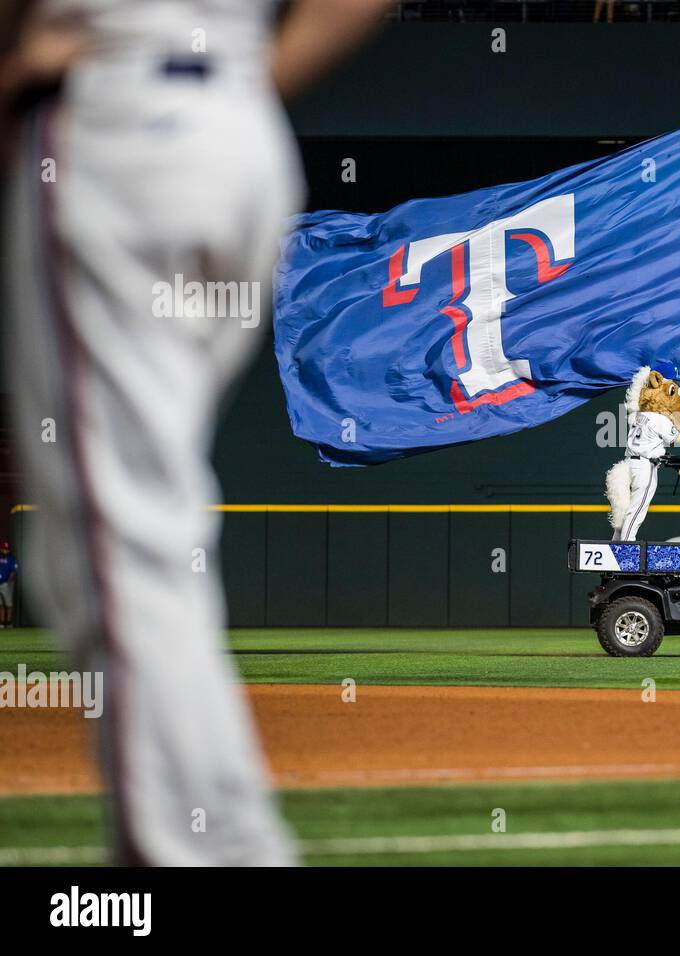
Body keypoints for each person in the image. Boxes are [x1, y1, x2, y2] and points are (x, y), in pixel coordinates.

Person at [1, 0, 388, 866]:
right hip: (240, 140)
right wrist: (249, 92)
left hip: (113, 116)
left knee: (119, 552)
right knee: (136, 539)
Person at [0, 541, 16, 628]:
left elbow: (13, 571)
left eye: (7, 549)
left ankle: (9, 622)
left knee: (8, 604)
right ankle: (2, 622)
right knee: (0, 604)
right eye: (4, 549)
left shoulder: (11, 558)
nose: (6, 551)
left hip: (7, 584)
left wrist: (9, 580)